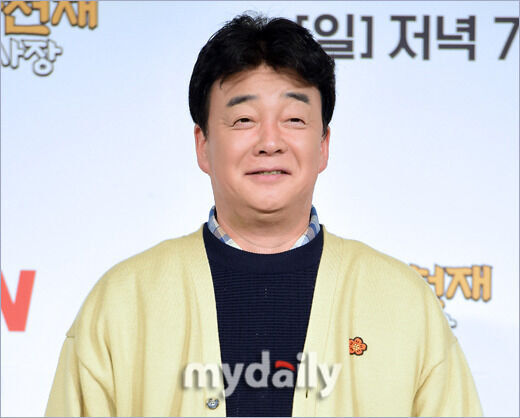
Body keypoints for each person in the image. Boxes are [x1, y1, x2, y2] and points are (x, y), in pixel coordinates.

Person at [45, 14, 483, 417]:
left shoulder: (404, 302)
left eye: (294, 119)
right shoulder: (122, 302)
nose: (270, 143)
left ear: (323, 145)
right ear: (202, 145)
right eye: (243, 120)